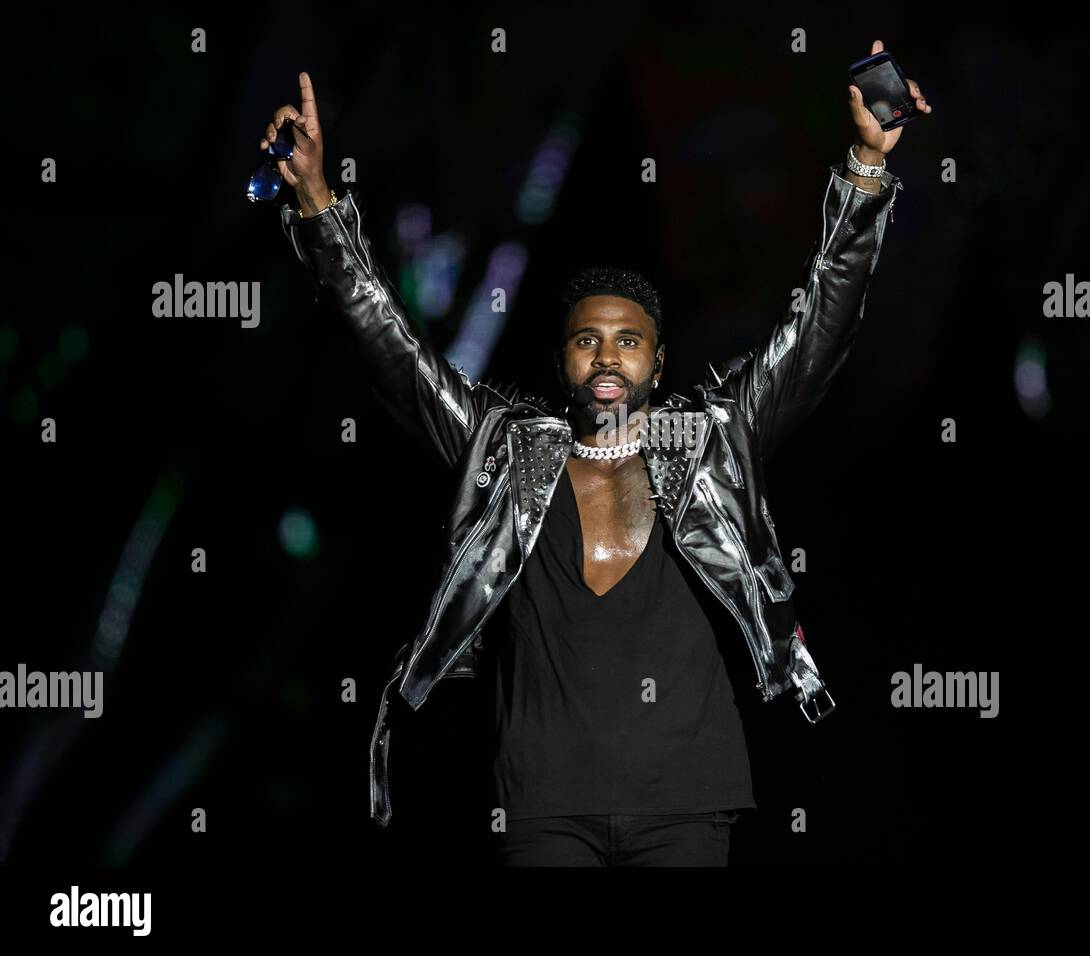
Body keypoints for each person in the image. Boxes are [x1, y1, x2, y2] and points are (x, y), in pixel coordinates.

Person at [264, 38, 929, 866]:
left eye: (628, 341)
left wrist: (867, 165)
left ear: (657, 360)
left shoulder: (710, 439)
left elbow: (819, 330)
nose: (608, 356)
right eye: (588, 341)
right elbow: (393, 355)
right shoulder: (506, 451)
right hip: (543, 803)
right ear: (563, 363)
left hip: (689, 798)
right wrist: (320, 200)